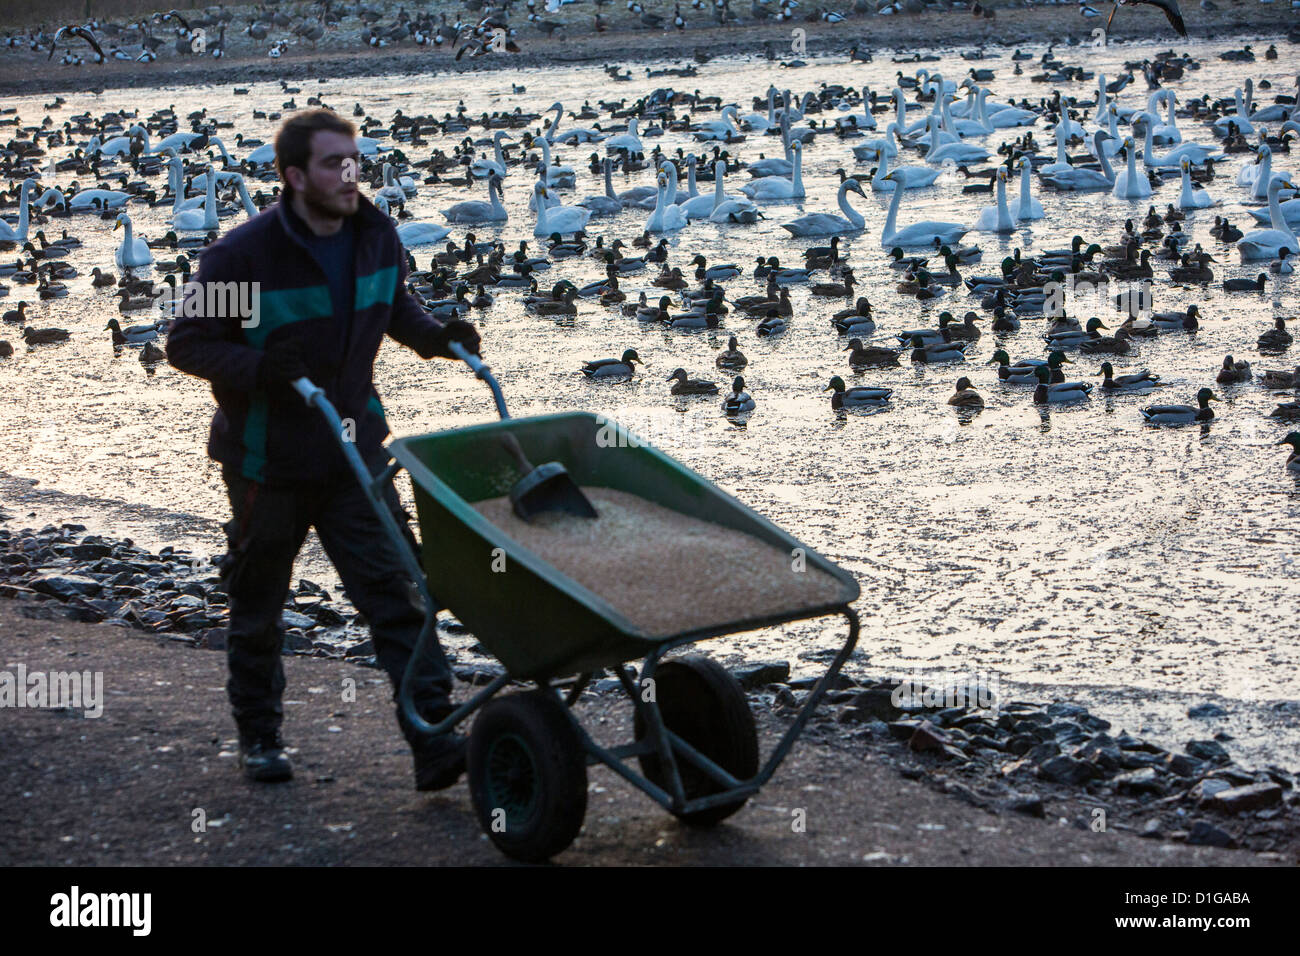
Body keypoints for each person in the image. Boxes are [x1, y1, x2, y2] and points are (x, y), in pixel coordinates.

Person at [167, 109, 480, 789]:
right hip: (267, 463)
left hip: (357, 455)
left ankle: (433, 739)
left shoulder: (375, 236)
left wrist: (436, 338)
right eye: (335, 163)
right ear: (293, 176)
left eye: (354, 160)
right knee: (258, 605)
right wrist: (260, 369)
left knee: (400, 596)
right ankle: (260, 739)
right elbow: (186, 344)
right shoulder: (240, 257)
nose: (350, 174)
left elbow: (397, 307)